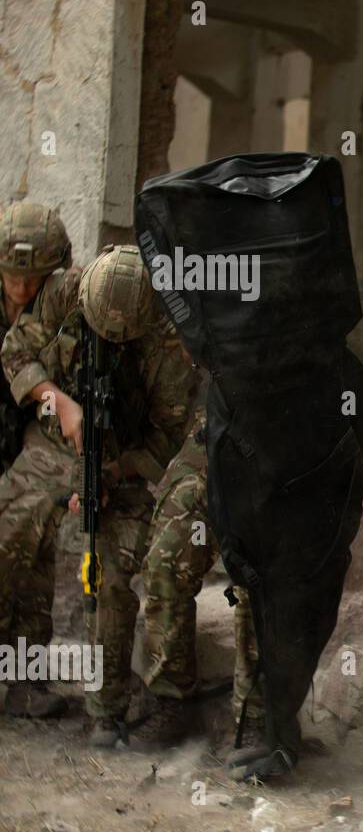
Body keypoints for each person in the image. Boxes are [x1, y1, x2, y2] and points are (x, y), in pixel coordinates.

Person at [0, 245, 193, 746]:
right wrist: (54, 399)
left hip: (123, 463)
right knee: (10, 530)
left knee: (107, 572)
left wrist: (110, 474)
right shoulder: (65, 289)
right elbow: (15, 353)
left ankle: (106, 709)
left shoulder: (169, 337)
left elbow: (167, 433)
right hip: (52, 441)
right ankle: (19, 678)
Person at [133, 381, 262, 749]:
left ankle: (257, 717)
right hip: (218, 424)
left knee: (259, 567)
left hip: (280, 429)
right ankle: (172, 698)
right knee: (165, 558)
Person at [0, 202, 76, 718]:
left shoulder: (65, 307)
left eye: (35, 280)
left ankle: (24, 677)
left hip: (31, 439)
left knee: (36, 542)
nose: (22, 291)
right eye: (13, 277)